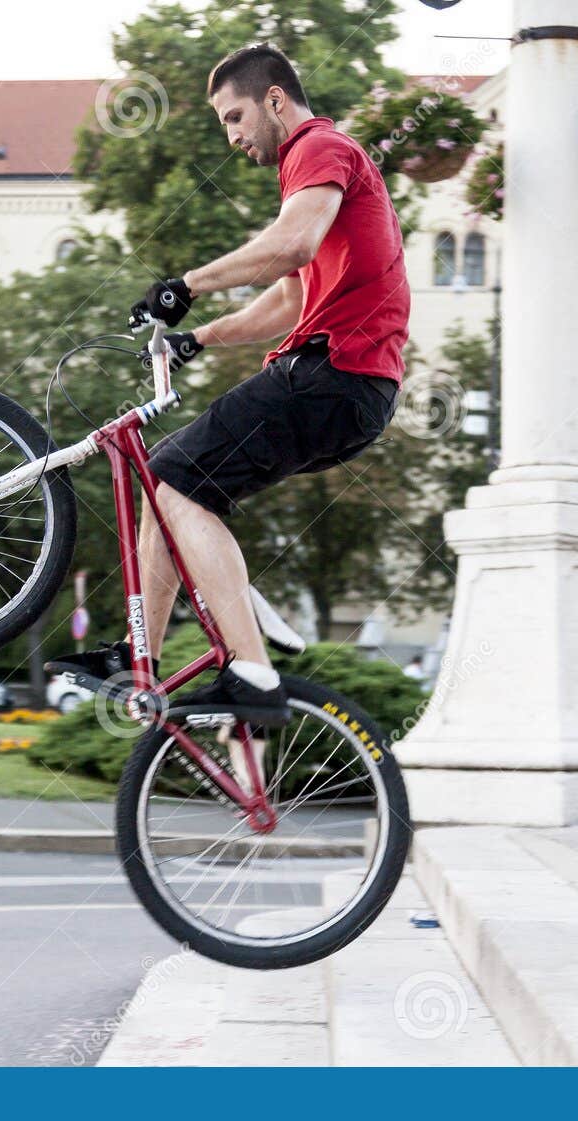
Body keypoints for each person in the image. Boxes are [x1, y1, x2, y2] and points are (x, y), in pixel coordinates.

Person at [47, 43, 409, 728]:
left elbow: (291, 245)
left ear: (275, 99)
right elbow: (289, 299)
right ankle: (138, 655)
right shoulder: (317, 178)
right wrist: (198, 338)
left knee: (172, 479)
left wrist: (185, 285)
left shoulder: (318, 147)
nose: (233, 137)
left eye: (235, 117)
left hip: (333, 375)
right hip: (349, 392)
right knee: (169, 481)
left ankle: (251, 671)